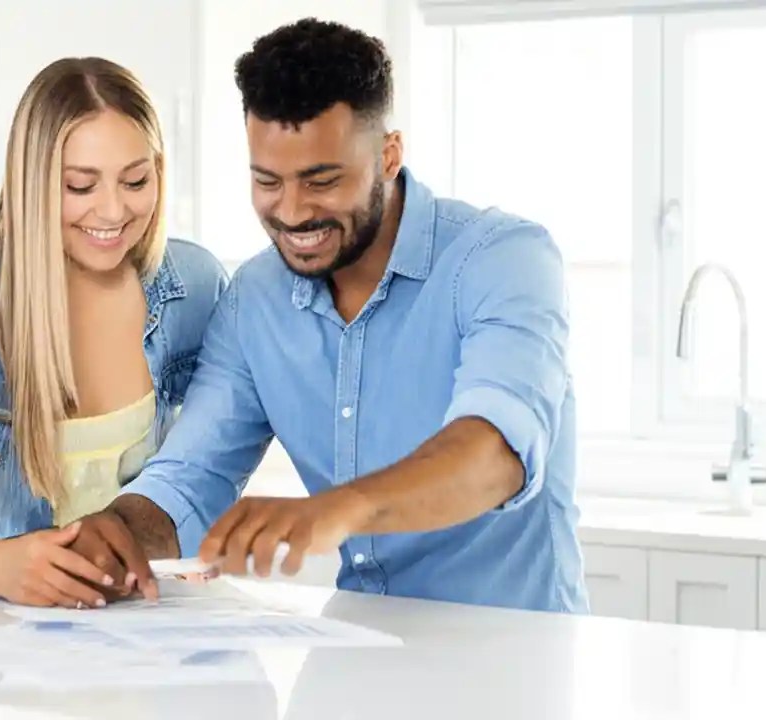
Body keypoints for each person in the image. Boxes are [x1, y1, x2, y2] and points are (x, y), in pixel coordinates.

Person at [73, 18, 587, 613]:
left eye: (322, 181)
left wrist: (339, 509)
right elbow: (190, 477)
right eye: (268, 181)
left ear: (388, 156)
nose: (292, 211)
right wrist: (116, 534)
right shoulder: (255, 299)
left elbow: (495, 452)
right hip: (356, 644)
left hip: (518, 647)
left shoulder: (503, 259)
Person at [0, 57, 227, 608]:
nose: (113, 210)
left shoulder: (194, 288)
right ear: (30, 183)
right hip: (12, 628)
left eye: (136, 180)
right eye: (80, 186)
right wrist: (0, 567)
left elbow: (211, 463)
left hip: (155, 621)